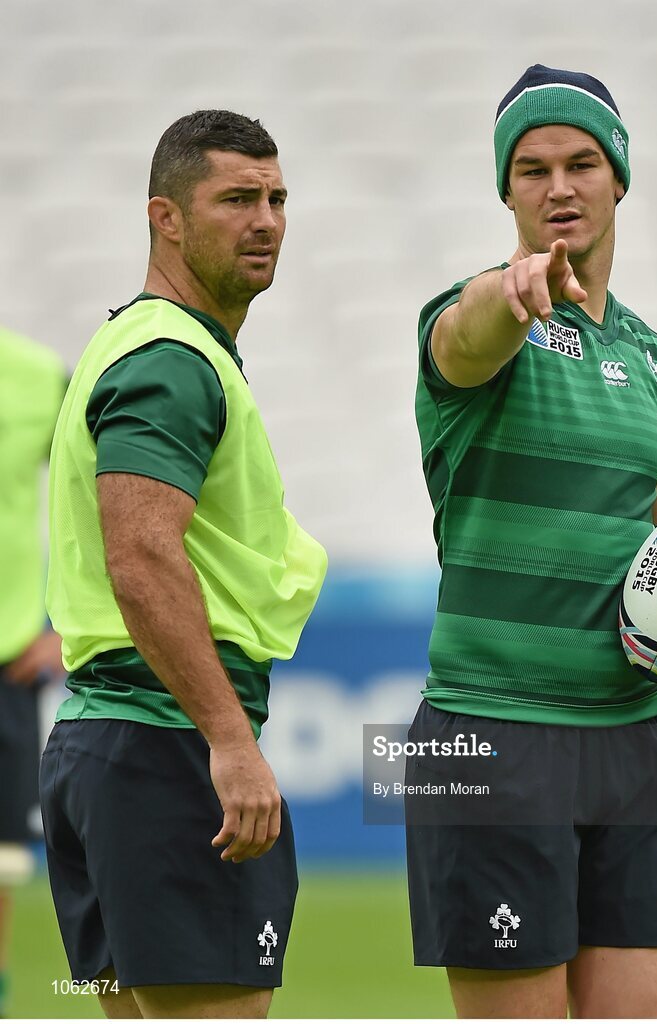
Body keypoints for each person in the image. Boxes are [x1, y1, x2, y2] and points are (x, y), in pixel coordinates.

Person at [407, 66, 657, 1019]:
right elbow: (468, 337)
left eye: (581, 163)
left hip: (631, 742)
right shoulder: (474, 318)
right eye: (531, 169)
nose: (559, 186)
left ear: (620, 178)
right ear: (506, 191)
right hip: (486, 734)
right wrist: (512, 291)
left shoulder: (656, 362)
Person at [40, 110, 327, 1020]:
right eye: (237, 198)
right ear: (165, 217)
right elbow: (141, 554)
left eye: (277, 198)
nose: (267, 220)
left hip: (109, 741)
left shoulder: (145, 344)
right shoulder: (170, 357)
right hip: (162, 746)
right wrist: (230, 742)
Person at [0, 326, 66, 1017]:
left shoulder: (37, 377)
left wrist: (66, 629)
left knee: (1, 868)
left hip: (7, 665)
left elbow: (109, 483)